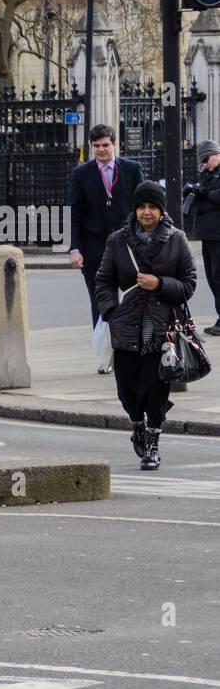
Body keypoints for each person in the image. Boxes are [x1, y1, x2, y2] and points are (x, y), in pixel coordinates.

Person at [94, 181, 197, 471]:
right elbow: (103, 280)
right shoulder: (118, 240)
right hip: (127, 325)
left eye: (153, 207)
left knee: (155, 388)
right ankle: (137, 424)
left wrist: (160, 284)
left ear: (161, 210)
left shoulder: (176, 239)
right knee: (127, 390)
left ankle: (152, 442)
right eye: (142, 206)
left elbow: (189, 284)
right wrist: (111, 311)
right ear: (135, 210)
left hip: (162, 327)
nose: (147, 212)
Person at [67, 123, 145, 343]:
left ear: (114, 144)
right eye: (96, 146)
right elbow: (73, 213)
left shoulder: (131, 169)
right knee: (100, 300)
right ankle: (105, 350)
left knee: (134, 297)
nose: (101, 150)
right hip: (93, 249)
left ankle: (130, 343)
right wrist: (74, 248)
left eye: (105, 145)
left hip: (128, 246)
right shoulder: (81, 174)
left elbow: (143, 207)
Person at [189, 139, 220, 336]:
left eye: (206, 158)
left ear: (216, 154)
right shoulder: (207, 174)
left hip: (218, 235)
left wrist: (204, 193)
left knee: (219, 277)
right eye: (202, 159)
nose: (204, 162)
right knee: (212, 278)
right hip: (207, 235)